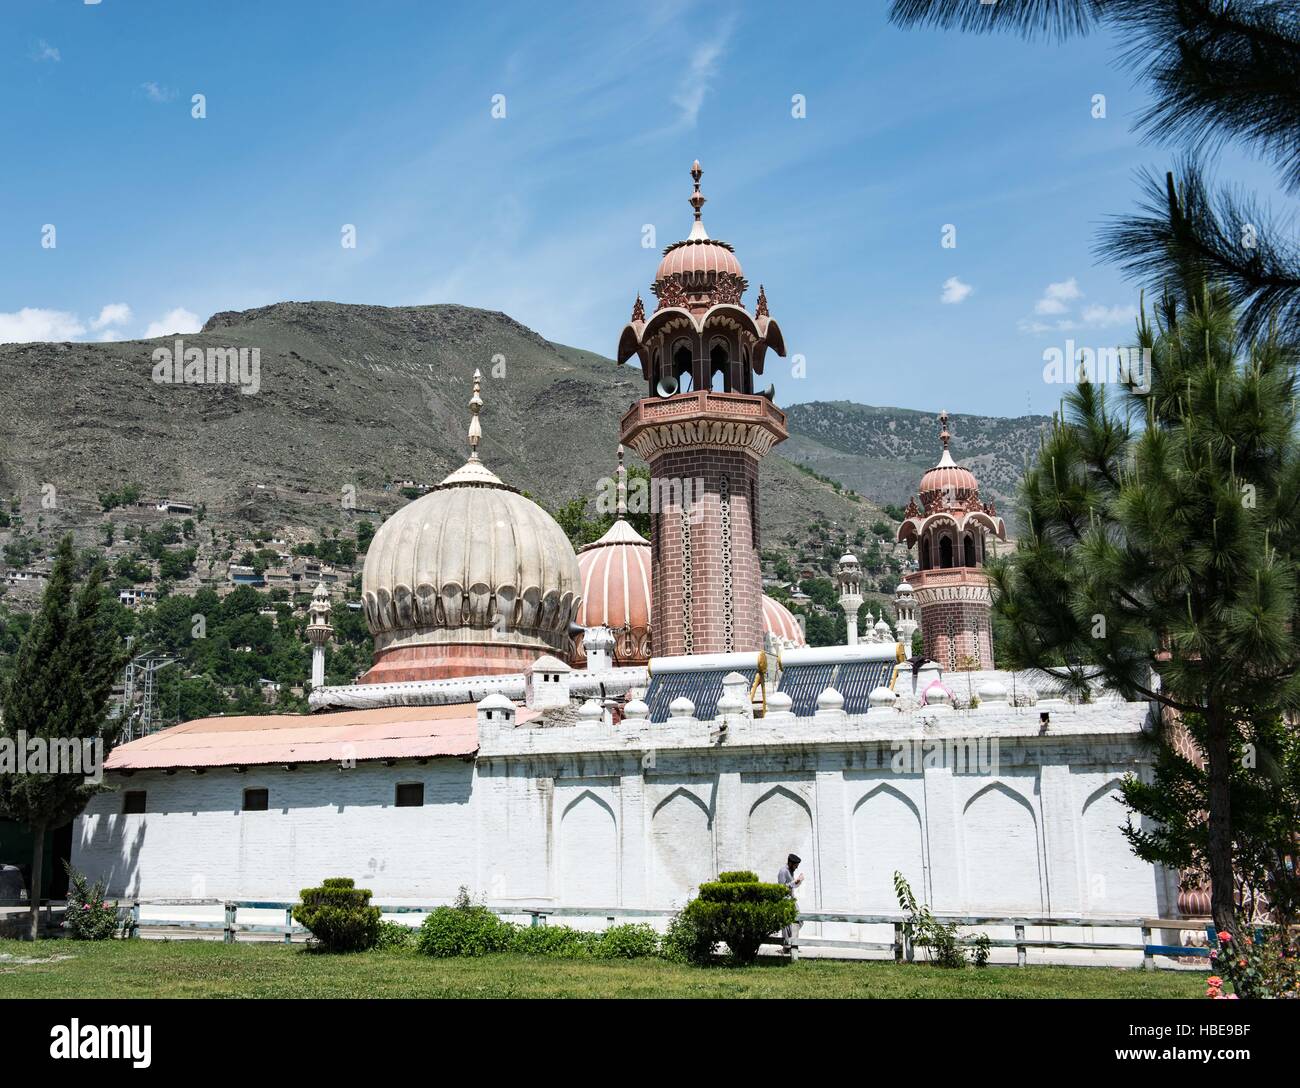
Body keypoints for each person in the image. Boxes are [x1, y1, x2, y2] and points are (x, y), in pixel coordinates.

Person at [777, 853, 804, 950]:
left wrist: (799, 881)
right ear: (790, 863)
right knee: (787, 924)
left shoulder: (790, 870)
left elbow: (792, 886)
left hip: (791, 900)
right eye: (795, 865)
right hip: (785, 901)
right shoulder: (783, 871)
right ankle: (788, 946)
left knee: (800, 920)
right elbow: (781, 887)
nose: (796, 868)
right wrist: (795, 882)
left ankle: (792, 943)